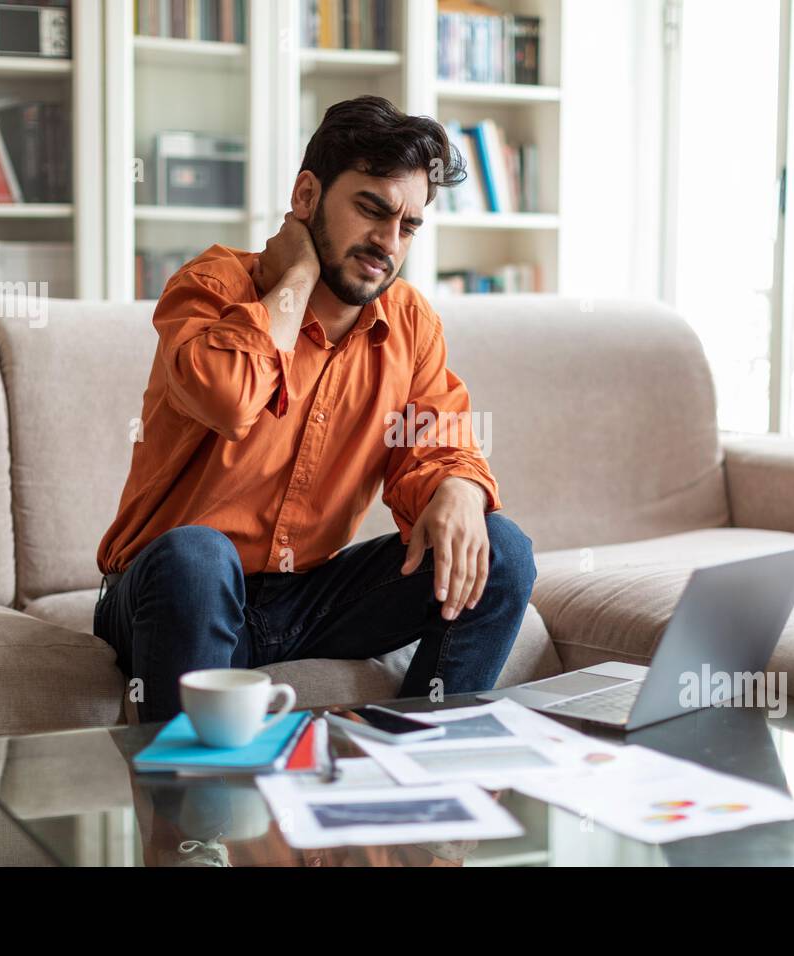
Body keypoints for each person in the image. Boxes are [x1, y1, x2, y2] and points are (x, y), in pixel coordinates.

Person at [94, 95, 536, 722]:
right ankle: (193, 785)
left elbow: (439, 440)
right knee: (198, 557)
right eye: (372, 210)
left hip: (304, 601)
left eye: (408, 227)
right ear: (306, 196)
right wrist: (297, 278)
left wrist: (460, 487)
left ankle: (413, 752)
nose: (388, 243)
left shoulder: (410, 323)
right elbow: (230, 399)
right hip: (172, 593)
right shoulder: (212, 286)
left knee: (503, 548)